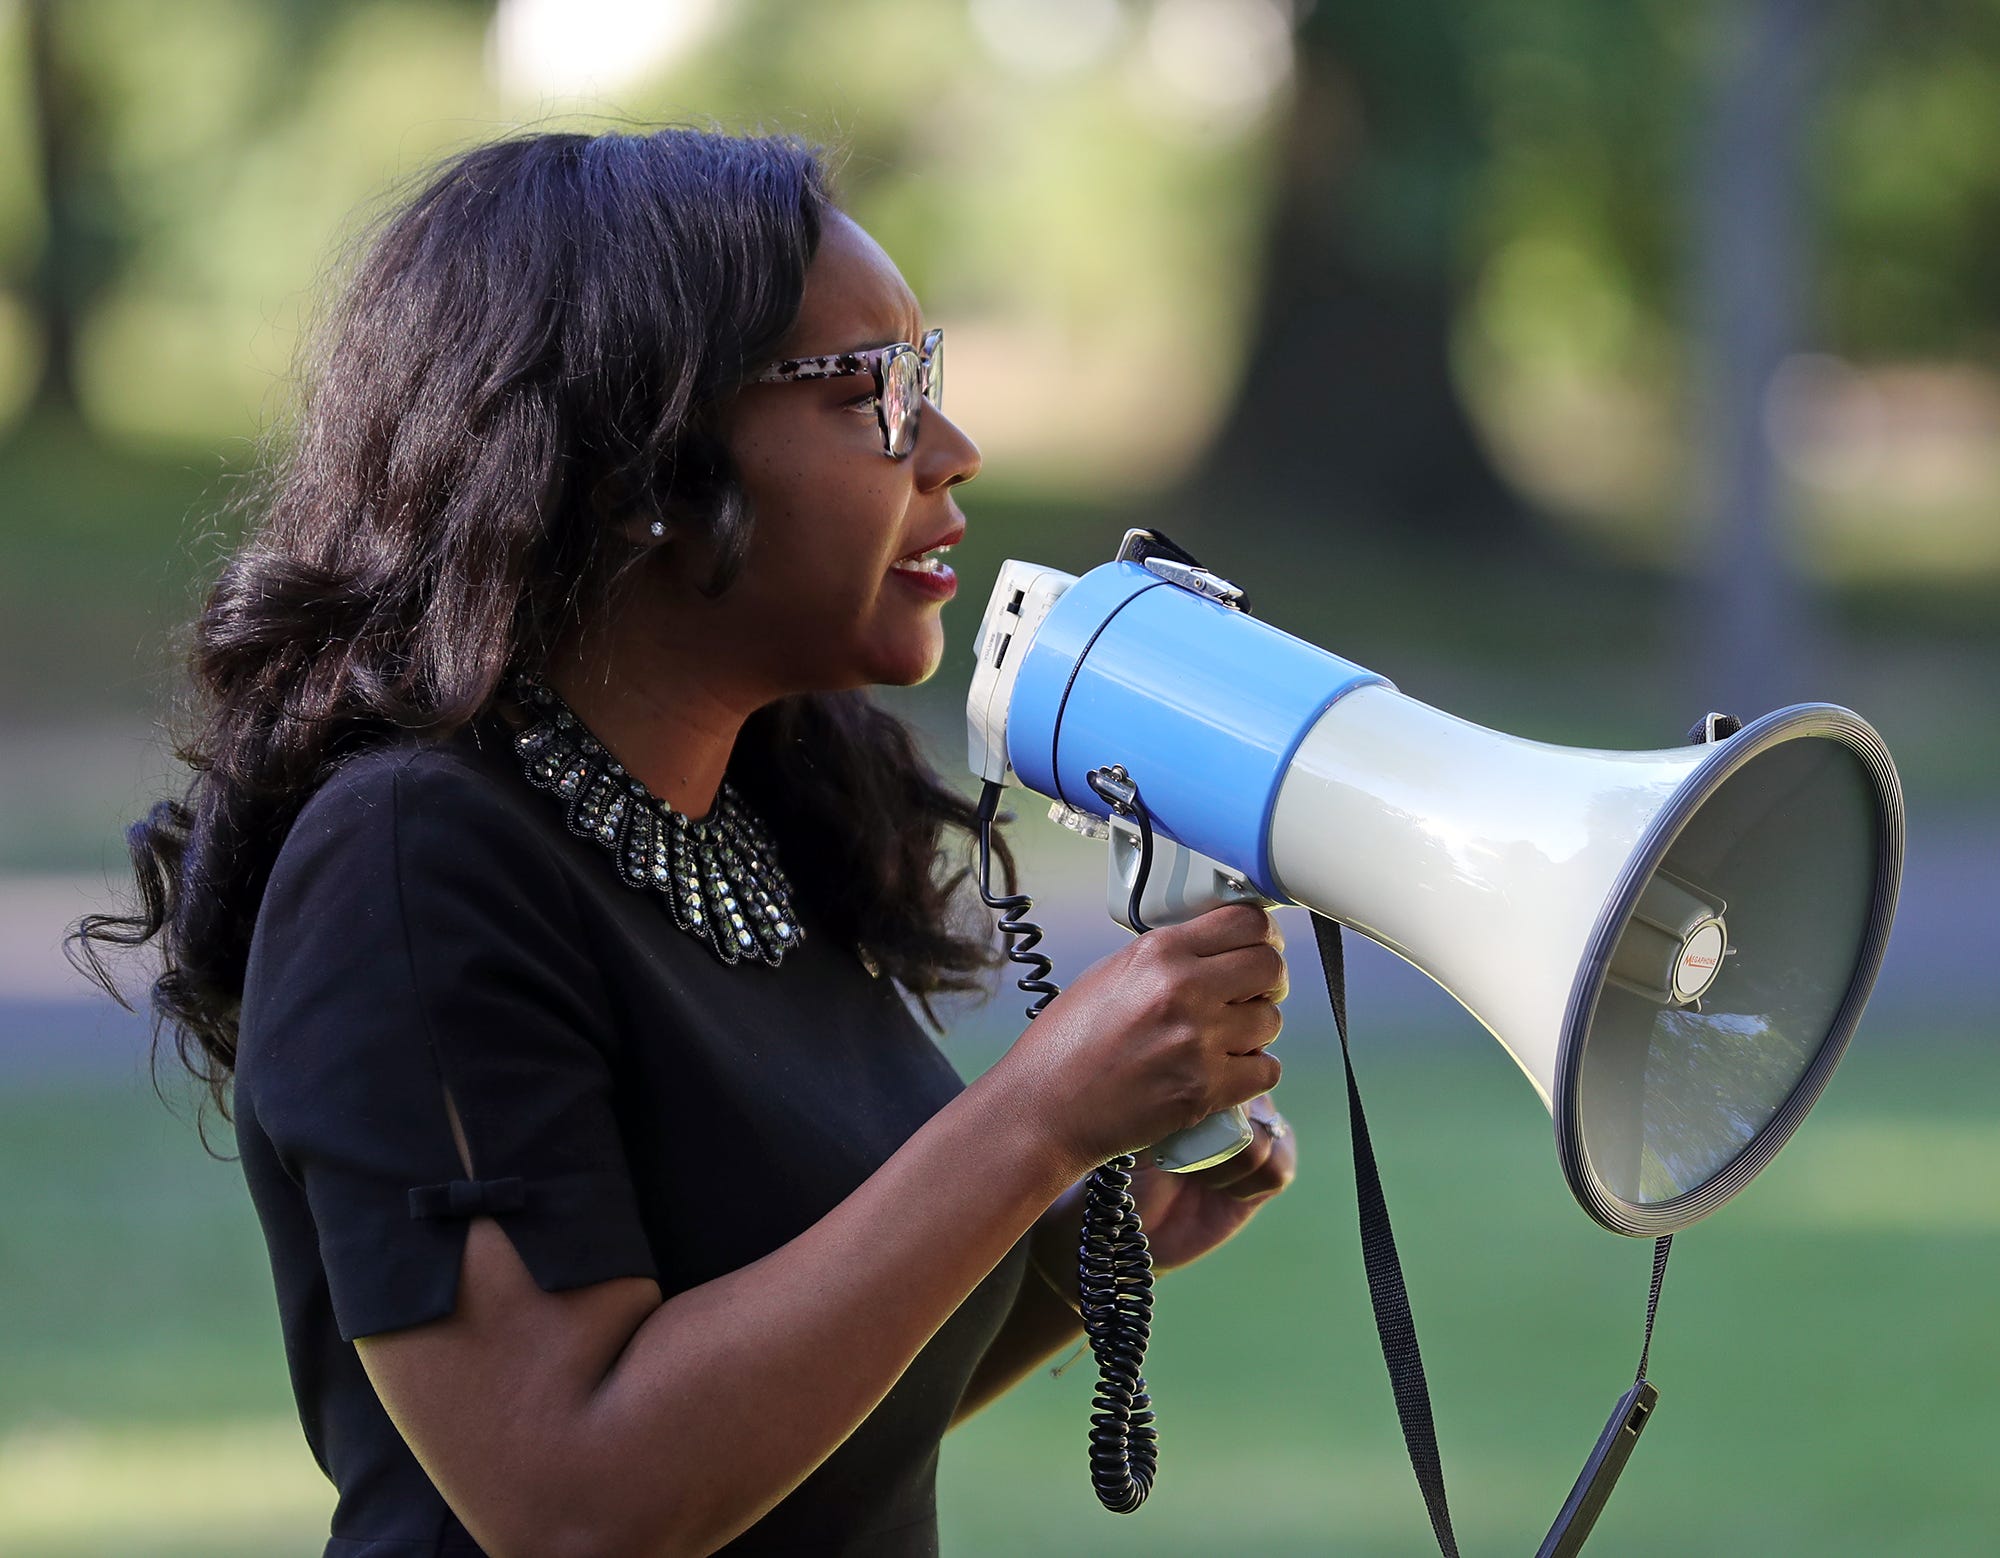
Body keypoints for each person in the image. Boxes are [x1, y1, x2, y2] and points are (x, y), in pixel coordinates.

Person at [69, 124, 1296, 1557]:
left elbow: (784, 1446)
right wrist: (1032, 1123)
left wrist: (1082, 1241)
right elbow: (578, 1501)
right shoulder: (409, 858)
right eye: (874, 394)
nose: (953, 454)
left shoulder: (765, 816)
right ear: (637, 459)